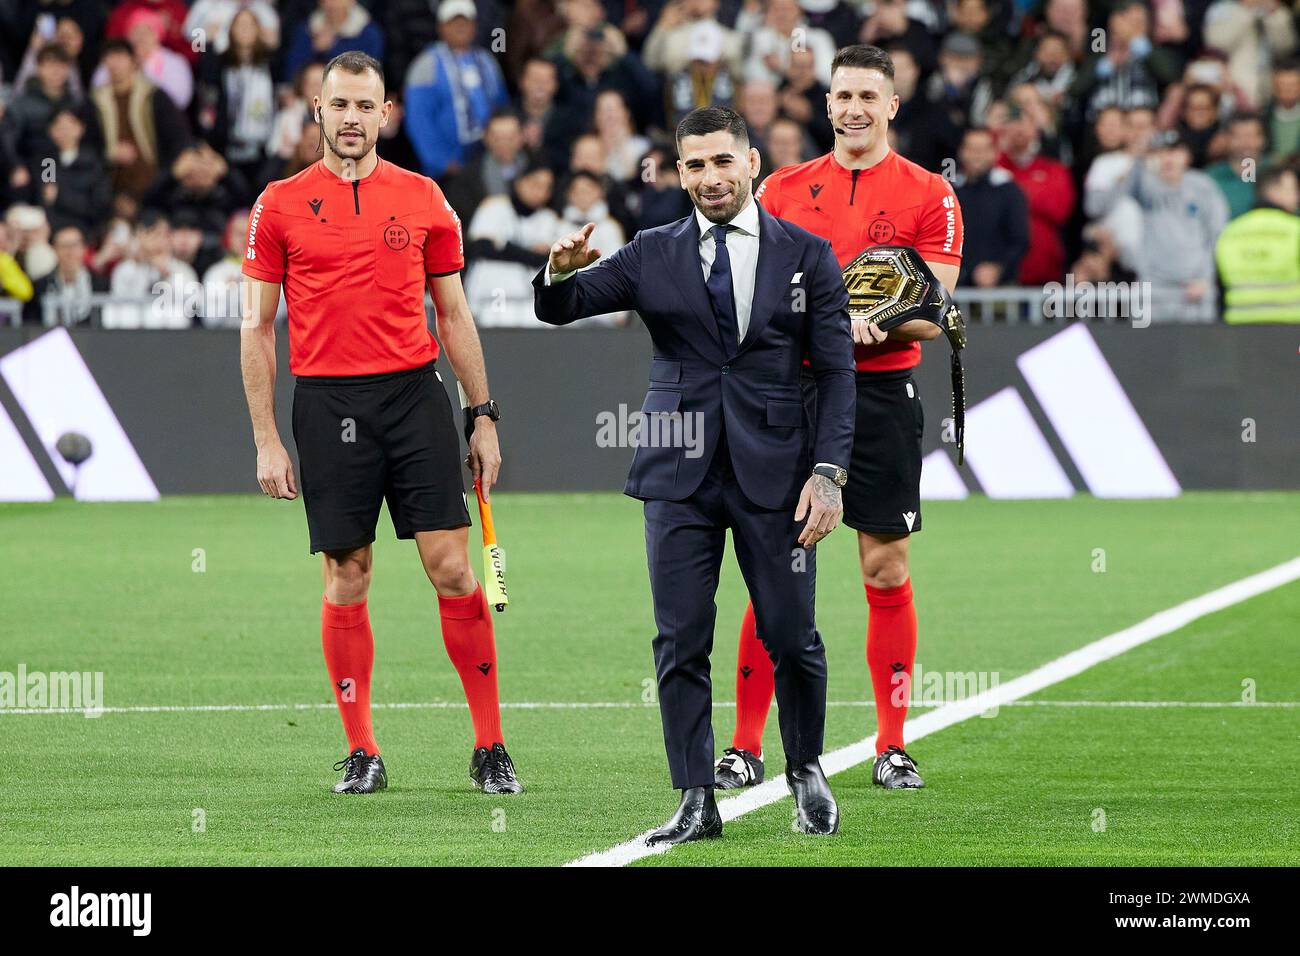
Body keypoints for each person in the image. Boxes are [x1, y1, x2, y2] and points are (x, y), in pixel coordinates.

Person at [533, 106, 855, 842]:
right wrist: (558, 272)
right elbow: (565, 307)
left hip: (780, 477)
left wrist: (829, 473)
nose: (710, 177)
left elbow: (838, 376)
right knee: (680, 641)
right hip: (676, 472)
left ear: (751, 164)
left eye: (722, 161)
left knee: (791, 632)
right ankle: (694, 798)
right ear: (678, 174)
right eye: (695, 165)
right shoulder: (652, 251)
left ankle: (805, 769)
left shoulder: (808, 255)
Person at [239, 50, 523, 796]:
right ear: (317, 111)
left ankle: (490, 745)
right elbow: (256, 329)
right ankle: (363, 751)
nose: (353, 119)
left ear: (385, 113)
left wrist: (482, 414)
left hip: (413, 396)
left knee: (453, 567)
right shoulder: (279, 203)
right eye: (340, 106)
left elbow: (453, 313)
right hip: (327, 402)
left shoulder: (426, 196)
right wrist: (267, 437)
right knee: (347, 574)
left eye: (366, 107)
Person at [719, 44, 964, 793]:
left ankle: (892, 745)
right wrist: (822, 327)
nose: (853, 108)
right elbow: (749, 295)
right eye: (841, 95)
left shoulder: (932, 194)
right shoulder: (784, 190)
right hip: (791, 397)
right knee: (775, 570)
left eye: (867, 95)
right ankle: (745, 745)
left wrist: (872, 325)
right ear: (825, 106)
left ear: (892, 105)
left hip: (883, 395)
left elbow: (934, 308)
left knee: (884, 566)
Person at [1093, 128, 1229, 322]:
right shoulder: (1145, 184)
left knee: (1198, 350)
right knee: (1149, 349)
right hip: (1153, 287)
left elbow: (1217, 233)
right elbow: (1101, 205)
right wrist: (1137, 158)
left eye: (1174, 151)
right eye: (1161, 152)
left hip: (1195, 286)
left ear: (1187, 155)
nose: (1168, 158)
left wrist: (1206, 278)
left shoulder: (1203, 187)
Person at [403, 0, 509, 179]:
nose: (461, 27)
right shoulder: (425, 66)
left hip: (488, 159)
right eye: (453, 22)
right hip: (448, 167)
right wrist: (441, 162)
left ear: (474, 26)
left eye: (466, 22)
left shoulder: (487, 61)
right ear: (441, 27)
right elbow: (419, 120)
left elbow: (501, 106)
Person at [1216, 165, 1300, 322]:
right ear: (1273, 191)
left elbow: (1219, 285)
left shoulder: (1231, 231)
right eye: (1293, 189)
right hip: (1291, 326)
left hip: (1239, 325)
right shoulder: (1296, 230)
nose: (1297, 196)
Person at [954, 127, 1028, 288]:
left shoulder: (1009, 190)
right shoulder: (950, 191)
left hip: (1000, 288)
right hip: (957, 286)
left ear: (994, 152)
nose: (976, 155)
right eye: (971, 148)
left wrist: (998, 268)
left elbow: (1020, 240)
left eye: (983, 149)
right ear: (962, 151)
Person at [28, 224, 109, 326]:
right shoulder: (39, 286)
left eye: (74, 245)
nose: (70, 252)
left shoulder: (101, 284)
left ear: (84, 249)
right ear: (54, 250)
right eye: (64, 246)